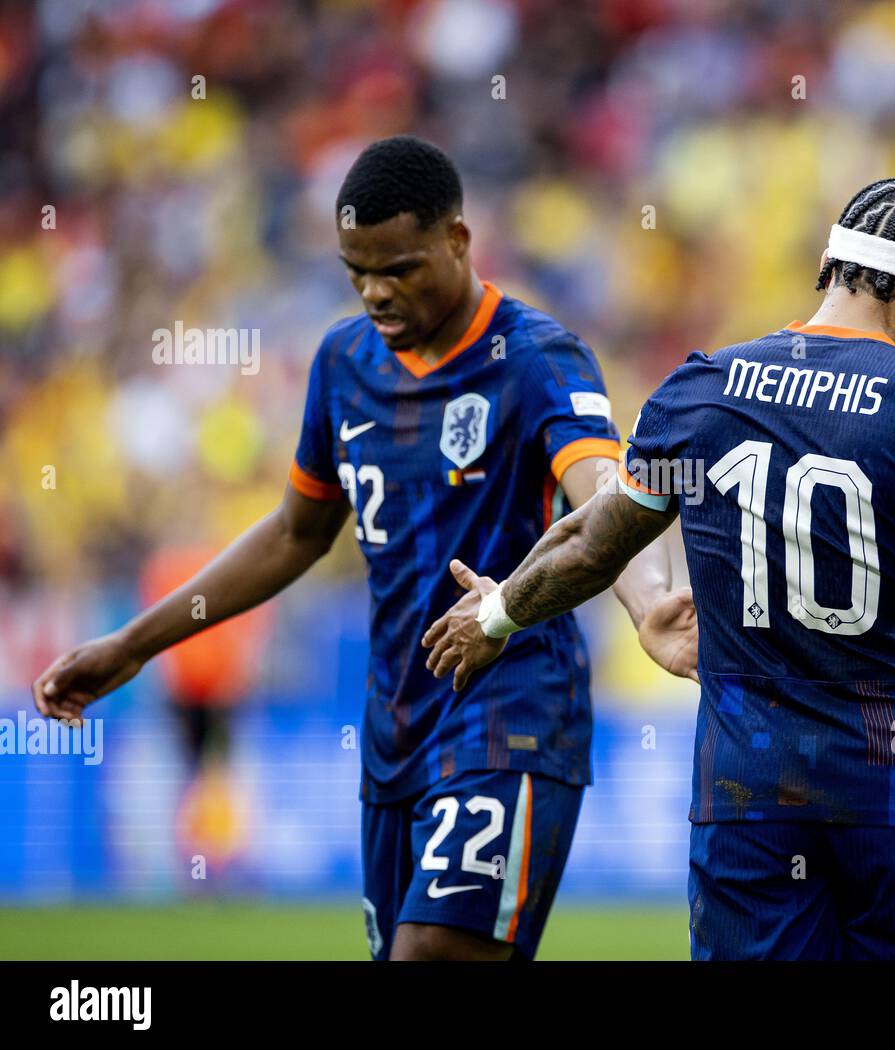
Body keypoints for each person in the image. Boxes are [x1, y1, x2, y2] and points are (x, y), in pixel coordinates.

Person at [421, 178, 895, 960]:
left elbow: (592, 542)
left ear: (829, 264)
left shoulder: (702, 389)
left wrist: (497, 615)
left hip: (745, 798)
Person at [32, 135, 695, 961]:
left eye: (401, 268)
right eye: (358, 272)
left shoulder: (535, 359)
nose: (377, 293)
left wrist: (648, 603)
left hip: (510, 707)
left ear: (458, 240)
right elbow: (294, 534)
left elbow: (602, 492)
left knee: (434, 953)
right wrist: (132, 645)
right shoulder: (343, 362)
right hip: (395, 730)